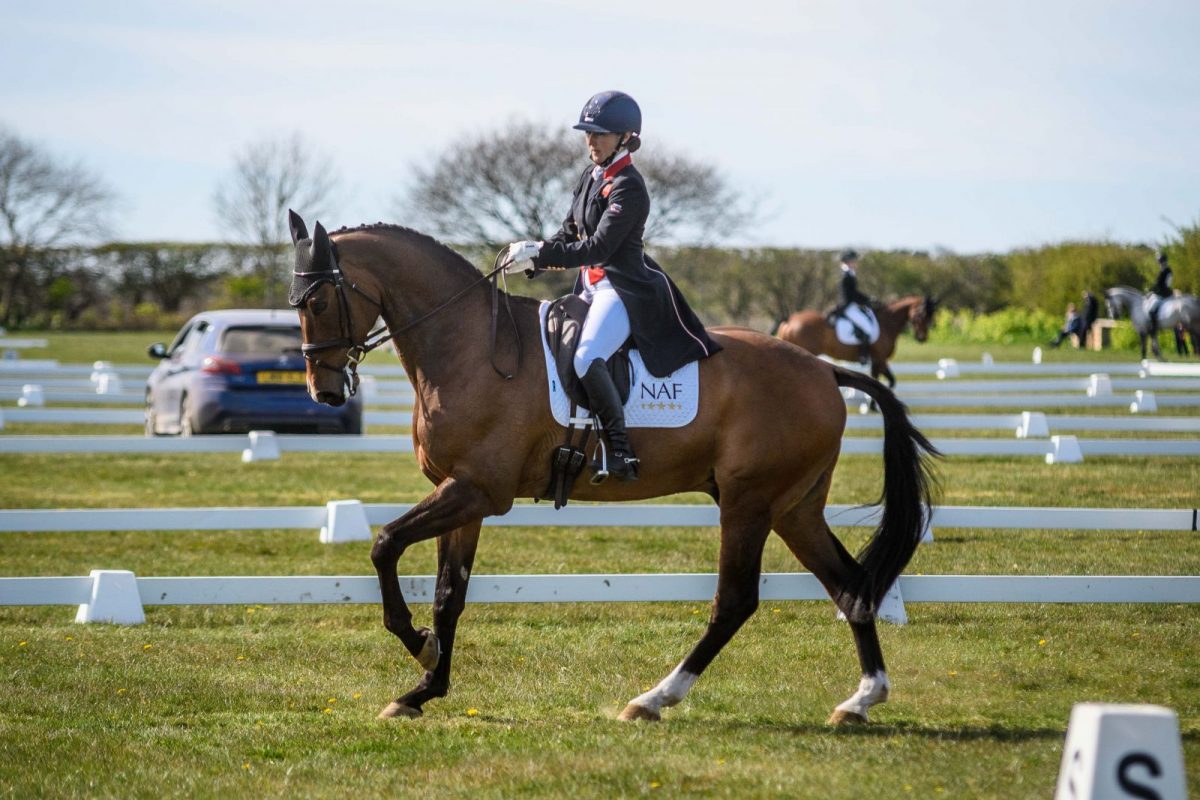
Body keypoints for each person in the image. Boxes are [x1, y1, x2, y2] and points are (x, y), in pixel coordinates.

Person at [502, 90, 721, 483]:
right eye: (588, 133)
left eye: (600, 133)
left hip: (619, 290)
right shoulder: (591, 176)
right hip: (587, 288)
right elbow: (568, 232)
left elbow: (600, 247)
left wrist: (542, 252)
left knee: (587, 357)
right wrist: (534, 255)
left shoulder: (628, 186)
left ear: (625, 137)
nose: (591, 141)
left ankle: (621, 451)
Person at [828, 249, 875, 364]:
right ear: (848, 261)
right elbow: (852, 295)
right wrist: (867, 300)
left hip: (850, 304)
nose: (856, 263)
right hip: (848, 306)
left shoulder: (849, 273)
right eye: (854, 261)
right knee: (867, 328)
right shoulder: (846, 275)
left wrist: (867, 299)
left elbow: (854, 293)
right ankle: (863, 356)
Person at [1146, 250, 1173, 339]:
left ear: (1161, 261)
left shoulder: (1166, 271)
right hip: (1163, 292)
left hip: (1163, 294)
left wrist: (1152, 291)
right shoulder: (1165, 270)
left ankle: (1154, 328)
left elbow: (1163, 284)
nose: (1159, 263)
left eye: (1159, 261)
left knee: (1151, 310)